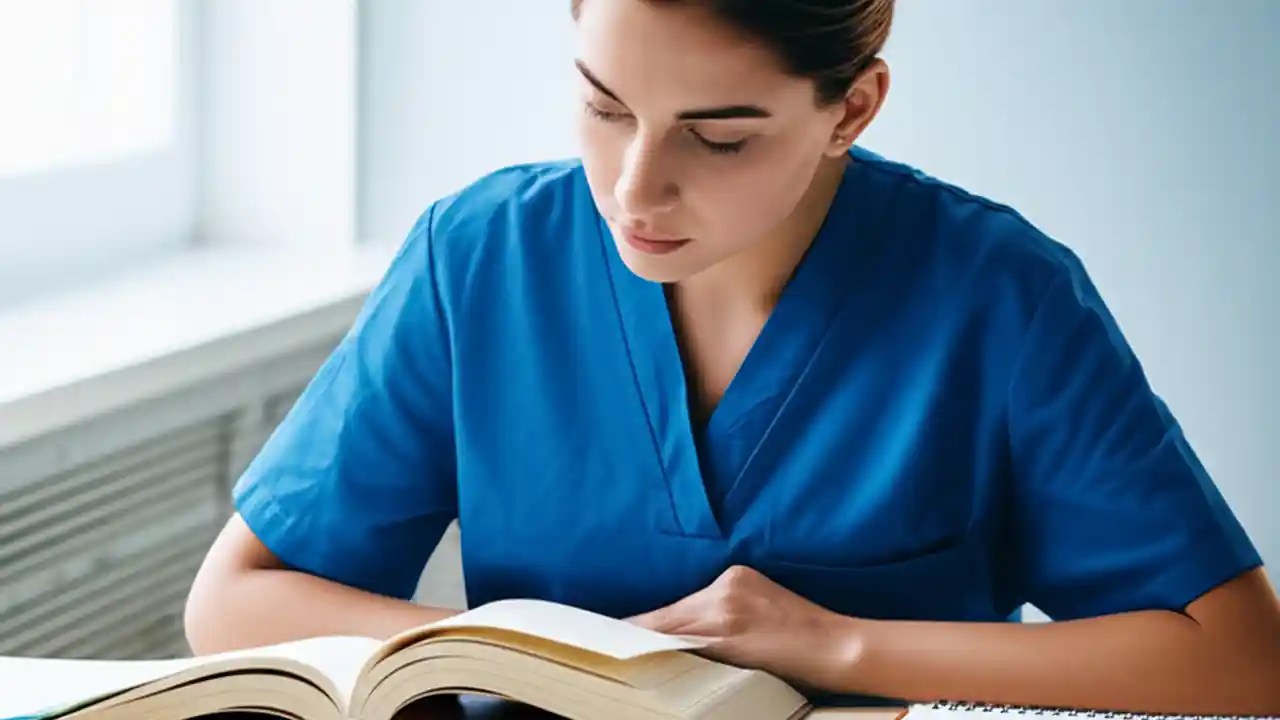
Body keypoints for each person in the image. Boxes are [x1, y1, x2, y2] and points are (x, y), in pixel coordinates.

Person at [185, 0, 1280, 714]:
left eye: (718, 137)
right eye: (603, 106)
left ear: (849, 108)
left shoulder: (997, 293)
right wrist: (545, 650)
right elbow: (237, 599)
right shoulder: (480, 256)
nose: (633, 189)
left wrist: (831, 644)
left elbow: (1235, 659)